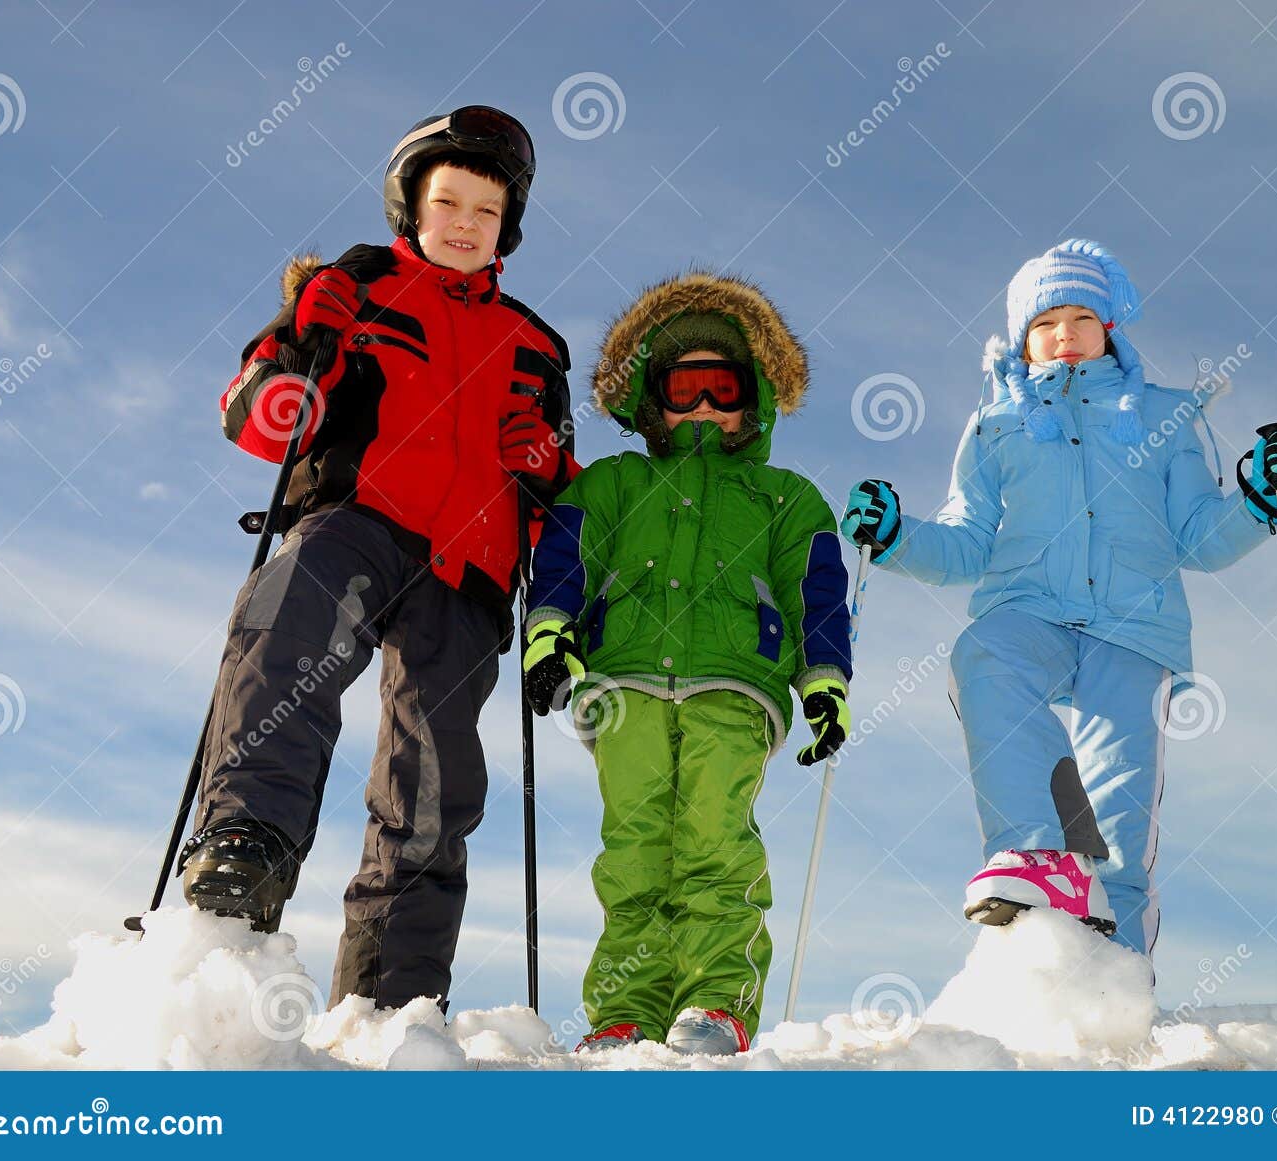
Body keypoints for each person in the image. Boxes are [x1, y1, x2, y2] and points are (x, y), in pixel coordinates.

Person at [180, 106, 577, 1013]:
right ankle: (246, 844)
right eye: (448, 202)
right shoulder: (357, 285)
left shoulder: (535, 343)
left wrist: (545, 464)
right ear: (412, 208)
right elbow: (257, 422)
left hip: (471, 567)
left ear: (507, 223)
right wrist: (297, 342)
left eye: (487, 206)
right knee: (285, 624)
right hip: (364, 515)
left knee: (434, 773)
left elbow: (561, 491)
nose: (466, 222)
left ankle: (390, 997)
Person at [841, 238, 1277, 957]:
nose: (1063, 335)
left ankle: (1117, 982)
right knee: (985, 655)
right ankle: (1035, 856)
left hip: (1134, 627)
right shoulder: (997, 426)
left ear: (1109, 327)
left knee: (1119, 820)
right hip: (1028, 609)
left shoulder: (1163, 418)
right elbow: (968, 541)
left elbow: (1199, 536)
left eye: (1079, 317)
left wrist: (1257, 501)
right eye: (1044, 322)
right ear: (1023, 339)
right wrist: (896, 536)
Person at [522, 272, 853, 1054]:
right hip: (622, 685)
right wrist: (549, 636)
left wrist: (825, 682)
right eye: (684, 386)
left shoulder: (785, 497)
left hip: (736, 686)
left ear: (754, 398)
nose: (703, 405)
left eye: (723, 385)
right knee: (634, 849)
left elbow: (820, 593)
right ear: (651, 398)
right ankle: (625, 1007)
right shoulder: (612, 483)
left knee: (713, 837)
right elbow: (565, 559)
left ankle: (716, 998)